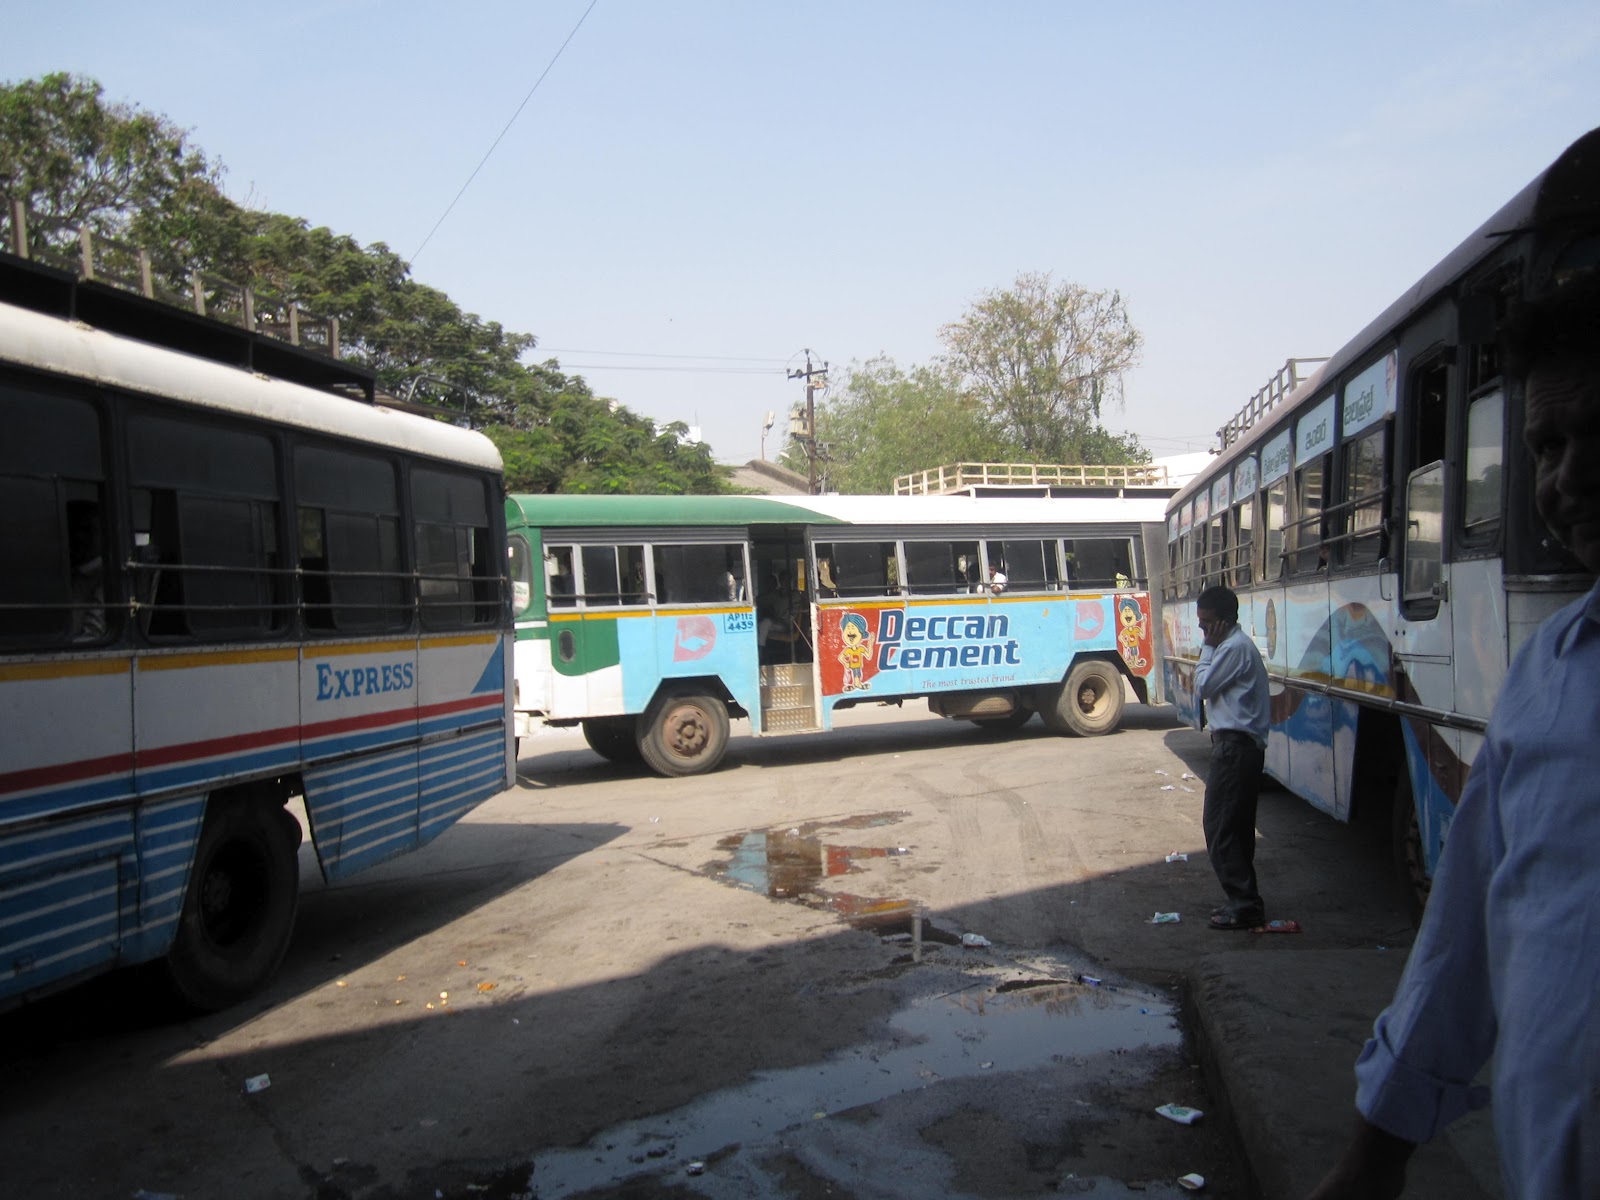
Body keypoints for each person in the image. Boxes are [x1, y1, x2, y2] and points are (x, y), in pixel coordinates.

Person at [1306, 277, 1600, 1200]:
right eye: (1546, 445)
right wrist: (1373, 1154)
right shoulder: (1551, 671)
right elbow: (1465, 929)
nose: (1568, 478)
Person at [1193, 583, 1271, 930]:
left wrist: (1208, 649)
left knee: (1220, 826)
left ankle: (1244, 903)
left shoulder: (1231, 649)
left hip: (1235, 748)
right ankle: (1241, 899)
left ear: (1224, 622)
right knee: (1235, 828)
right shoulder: (1232, 646)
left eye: (1207, 624)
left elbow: (1203, 688)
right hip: (1236, 747)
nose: (1203, 631)